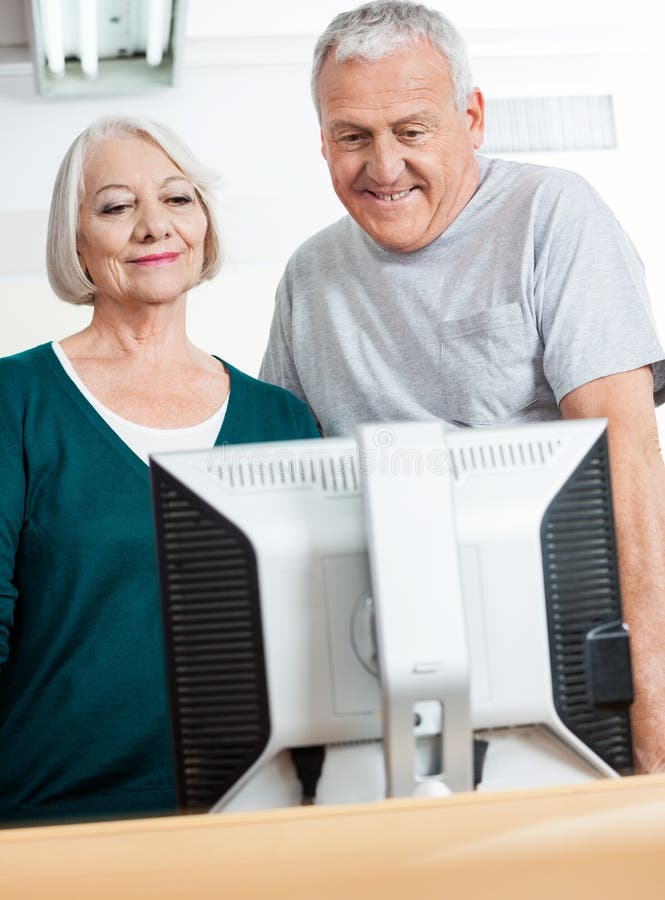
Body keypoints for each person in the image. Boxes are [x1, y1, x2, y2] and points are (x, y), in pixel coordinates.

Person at [260, 1, 665, 773]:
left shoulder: (553, 215)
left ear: (471, 117)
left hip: (557, 674)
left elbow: (629, 475)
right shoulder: (309, 277)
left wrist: (651, 725)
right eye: (353, 137)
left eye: (412, 130)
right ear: (322, 142)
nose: (383, 168)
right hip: (373, 681)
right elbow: (275, 502)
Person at [0, 116, 319, 826]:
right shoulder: (15, 403)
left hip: (252, 817)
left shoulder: (281, 420)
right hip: (53, 820)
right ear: (75, 240)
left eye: (178, 198)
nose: (154, 226)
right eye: (115, 206)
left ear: (203, 223)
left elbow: (314, 647)